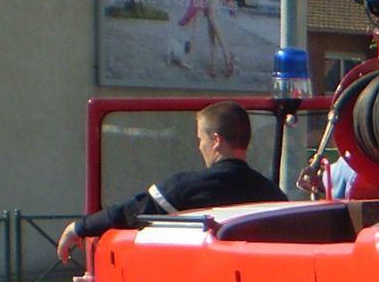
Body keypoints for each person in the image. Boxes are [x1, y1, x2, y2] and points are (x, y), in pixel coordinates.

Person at [57, 102, 283, 261]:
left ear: (215, 140)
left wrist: (78, 228)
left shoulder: (185, 188)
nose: (199, 146)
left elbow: (130, 213)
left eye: (201, 139)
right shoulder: (273, 197)